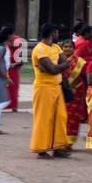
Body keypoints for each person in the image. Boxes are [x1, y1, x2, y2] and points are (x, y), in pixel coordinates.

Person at [29, 22, 72, 158]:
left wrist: (55, 67)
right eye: (57, 32)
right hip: (43, 88)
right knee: (44, 119)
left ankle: (58, 147)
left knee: (60, 117)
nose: (58, 35)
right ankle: (41, 149)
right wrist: (58, 67)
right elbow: (54, 69)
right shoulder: (39, 49)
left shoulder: (56, 47)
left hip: (57, 87)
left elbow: (66, 63)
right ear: (52, 33)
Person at [62, 37, 90, 146]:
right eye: (65, 47)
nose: (68, 49)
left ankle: (69, 142)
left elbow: (84, 78)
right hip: (61, 93)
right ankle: (61, 139)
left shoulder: (80, 62)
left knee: (73, 117)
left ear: (74, 49)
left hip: (76, 94)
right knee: (62, 117)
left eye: (70, 47)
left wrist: (86, 94)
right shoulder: (57, 60)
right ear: (62, 48)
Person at [4, 29, 25, 112]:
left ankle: (14, 106)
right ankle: (3, 104)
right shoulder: (5, 40)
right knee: (4, 86)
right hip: (5, 66)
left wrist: (15, 64)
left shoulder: (18, 41)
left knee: (13, 87)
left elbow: (22, 59)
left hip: (13, 67)